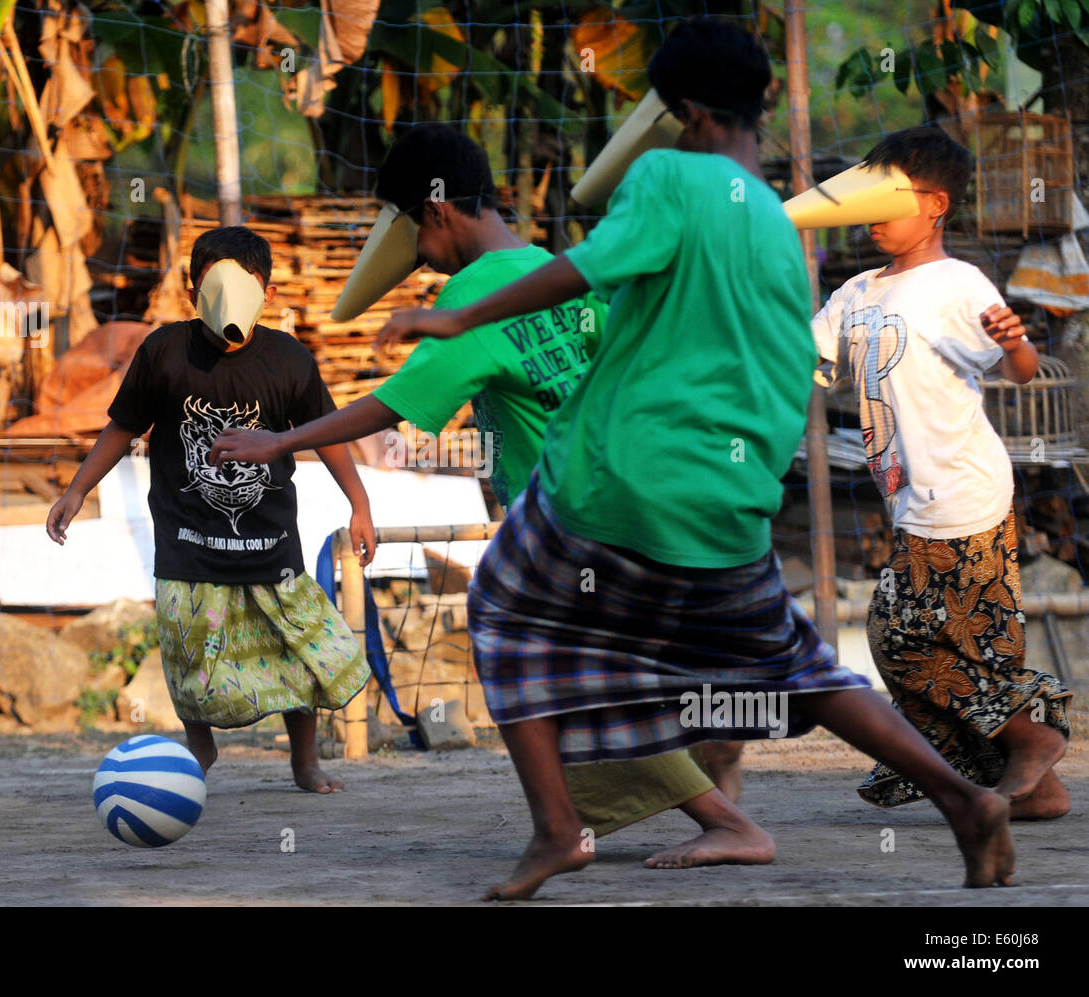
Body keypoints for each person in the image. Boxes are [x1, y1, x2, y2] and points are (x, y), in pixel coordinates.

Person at [376, 16, 1015, 900]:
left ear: (680, 109)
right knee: (799, 669)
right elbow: (790, 365)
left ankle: (560, 830)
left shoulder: (670, 176)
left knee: (502, 606)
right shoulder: (781, 240)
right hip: (731, 504)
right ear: (756, 104)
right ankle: (965, 799)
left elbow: (588, 267)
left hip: (615, 483)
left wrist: (455, 316)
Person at [211, 122, 775, 869]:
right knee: (593, 671)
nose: (415, 259)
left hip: (569, 521)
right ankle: (654, 801)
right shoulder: (561, 269)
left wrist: (278, 441)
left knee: (547, 665)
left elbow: (394, 403)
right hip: (644, 506)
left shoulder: (475, 292)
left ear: (437, 214)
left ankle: (705, 820)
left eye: (413, 236)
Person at [46, 226, 376, 794]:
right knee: (188, 650)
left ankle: (305, 759)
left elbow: (327, 435)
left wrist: (360, 503)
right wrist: (77, 490)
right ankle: (199, 744)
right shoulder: (164, 352)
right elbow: (123, 426)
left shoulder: (289, 359)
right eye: (212, 281)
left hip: (271, 545)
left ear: (266, 290)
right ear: (193, 288)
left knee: (298, 650)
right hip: (188, 543)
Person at [811, 126, 1072, 819]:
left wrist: (1017, 345)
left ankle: (1031, 735)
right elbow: (800, 361)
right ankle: (1037, 788)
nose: (868, 213)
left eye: (885, 197)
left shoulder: (959, 283)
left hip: (965, 494)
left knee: (903, 640)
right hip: (912, 502)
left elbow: (1014, 369)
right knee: (963, 652)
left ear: (934, 204)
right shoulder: (856, 292)